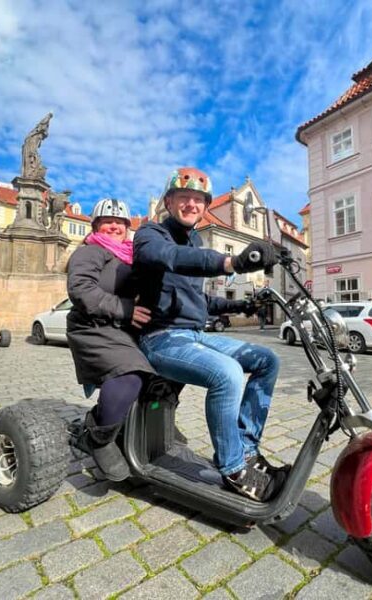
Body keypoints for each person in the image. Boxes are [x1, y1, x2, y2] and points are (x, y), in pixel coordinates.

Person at [133, 167, 287, 502]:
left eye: (198, 200)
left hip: (193, 335)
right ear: (168, 201)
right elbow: (172, 258)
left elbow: (199, 301)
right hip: (161, 338)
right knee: (228, 373)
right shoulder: (150, 235)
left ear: (204, 206)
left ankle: (246, 451)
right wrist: (230, 262)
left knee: (267, 359)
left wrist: (243, 305)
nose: (191, 204)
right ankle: (232, 468)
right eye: (184, 197)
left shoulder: (195, 239)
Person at [66, 198, 154, 481]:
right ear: (96, 226)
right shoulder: (90, 252)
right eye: (108, 221)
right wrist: (125, 308)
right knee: (129, 375)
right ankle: (98, 437)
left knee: (161, 373)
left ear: (128, 227)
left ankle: (136, 429)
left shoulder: (129, 255)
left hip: (121, 328)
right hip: (92, 327)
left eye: (120, 222)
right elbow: (80, 289)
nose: (114, 226)